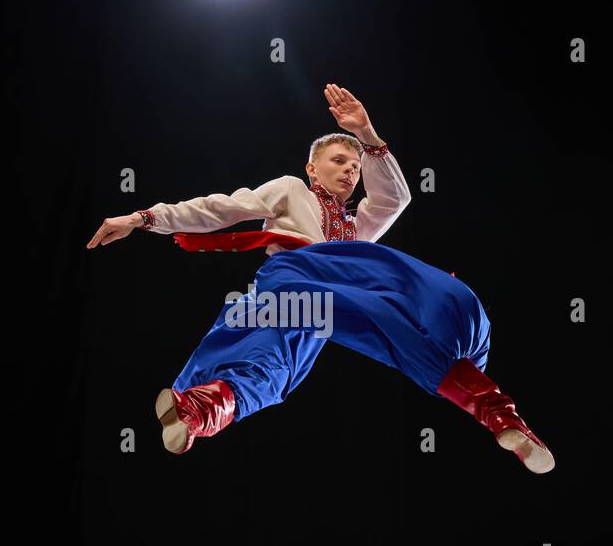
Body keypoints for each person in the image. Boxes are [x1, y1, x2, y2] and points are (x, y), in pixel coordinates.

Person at [87, 84, 554, 473]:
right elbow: (221, 207)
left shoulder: (358, 226)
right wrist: (144, 217)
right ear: (312, 168)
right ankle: (200, 411)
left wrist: (366, 133)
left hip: (334, 291)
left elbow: (394, 199)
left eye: (355, 167)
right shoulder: (293, 190)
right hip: (297, 273)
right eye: (337, 161)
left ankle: (502, 420)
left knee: (286, 365)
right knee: (294, 355)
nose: (349, 172)